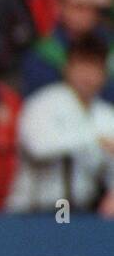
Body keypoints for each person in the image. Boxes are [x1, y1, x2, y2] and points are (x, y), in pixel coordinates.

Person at [7, 35, 114, 216]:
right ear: (67, 68)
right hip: (33, 211)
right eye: (82, 67)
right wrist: (95, 139)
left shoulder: (106, 115)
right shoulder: (43, 103)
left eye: (94, 69)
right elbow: (39, 146)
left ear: (104, 74)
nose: (88, 76)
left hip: (82, 211)